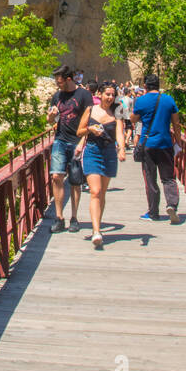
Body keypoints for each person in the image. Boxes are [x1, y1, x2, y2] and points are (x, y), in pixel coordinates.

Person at [73, 82, 125, 248]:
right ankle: (96, 231)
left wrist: (122, 148)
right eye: (107, 94)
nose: (110, 97)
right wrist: (90, 129)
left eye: (112, 94)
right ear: (100, 95)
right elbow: (79, 131)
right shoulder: (90, 110)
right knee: (95, 191)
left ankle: (98, 223)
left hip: (109, 152)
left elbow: (119, 131)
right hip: (92, 152)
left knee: (101, 193)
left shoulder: (116, 110)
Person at [46, 66, 93, 234]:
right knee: (56, 176)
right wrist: (51, 116)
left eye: (59, 81)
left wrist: (83, 142)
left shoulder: (84, 95)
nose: (57, 85)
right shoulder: (57, 96)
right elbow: (51, 119)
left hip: (76, 141)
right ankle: (59, 218)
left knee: (74, 181)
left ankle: (74, 217)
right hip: (60, 140)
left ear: (68, 79)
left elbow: (89, 121)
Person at [132, 75, 184, 223]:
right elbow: (176, 123)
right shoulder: (168, 99)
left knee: (150, 179)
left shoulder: (141, 100)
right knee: (168, 178)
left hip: (147, 144)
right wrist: (178, 142)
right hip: (165, 143)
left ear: (145, 86)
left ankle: (153, 212)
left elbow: (133, 119)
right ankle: (172, 205)